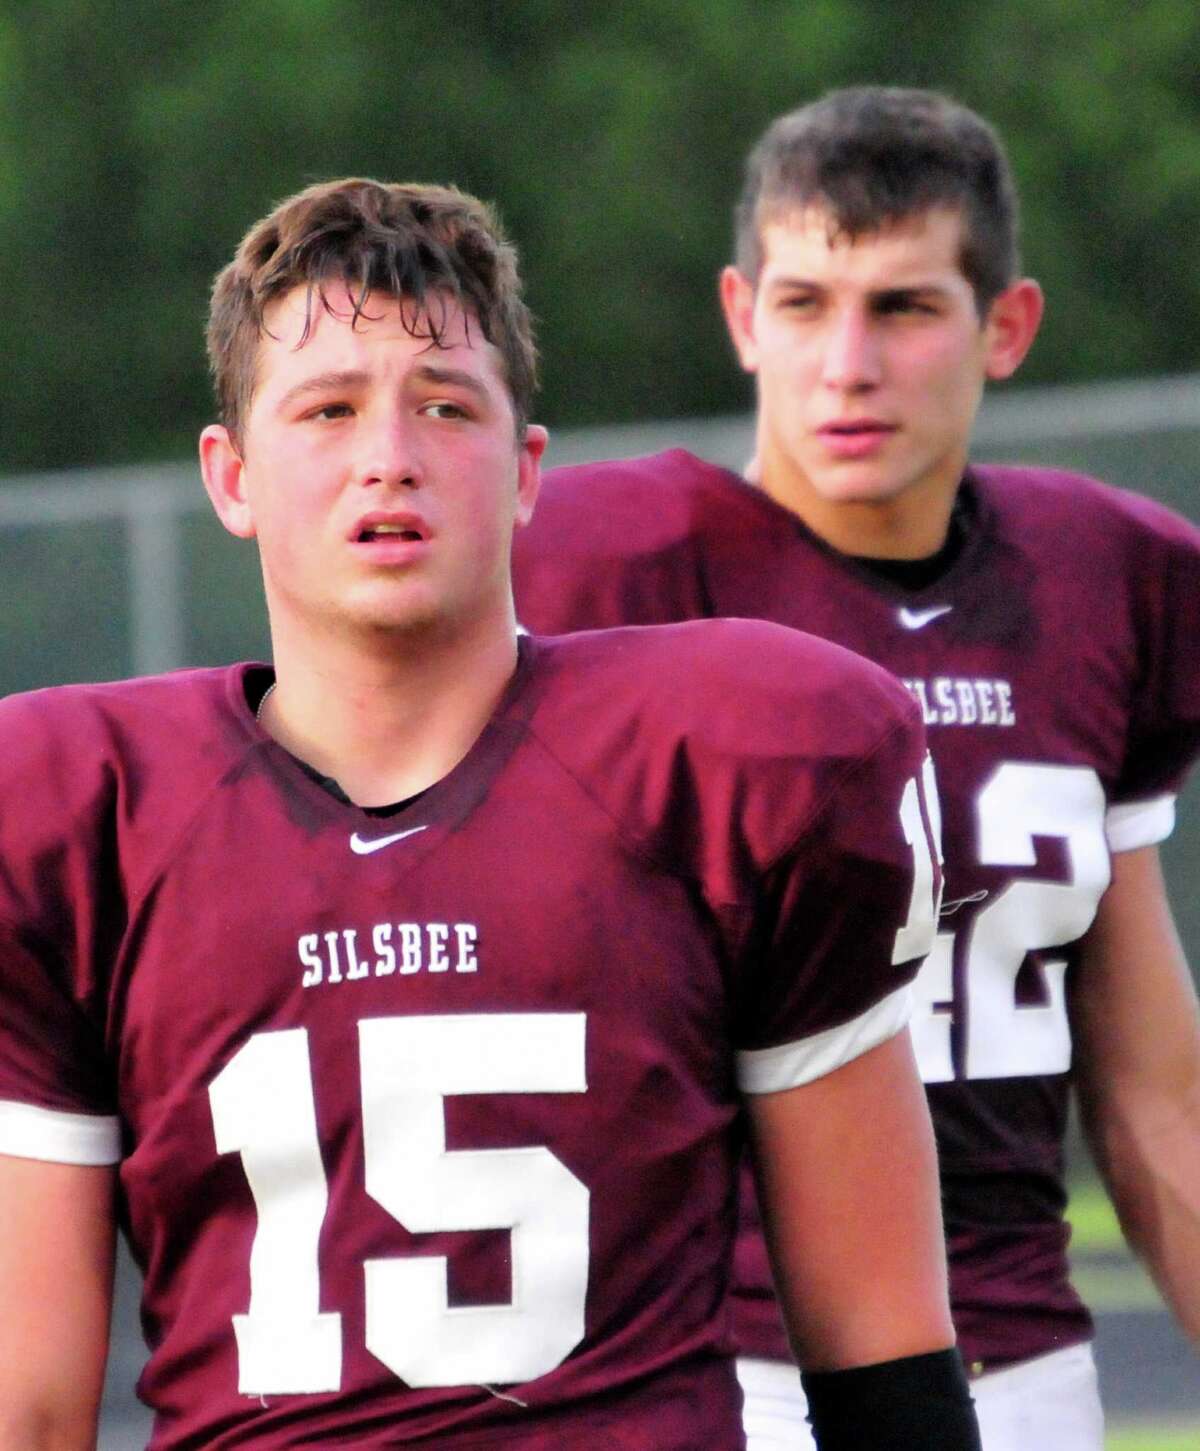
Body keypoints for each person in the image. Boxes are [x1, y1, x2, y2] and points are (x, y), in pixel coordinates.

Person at [0, 178, 980, 1450]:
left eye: (446, 406)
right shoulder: (87, 822)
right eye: (328, 408)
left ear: (526, 472)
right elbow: (27, 1400)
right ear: (230, 475)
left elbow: (884, 1354)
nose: (389, 455)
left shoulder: (727, 769)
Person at [512, 86, 1200, 1451]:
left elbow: (1150, 1089)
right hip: (702, 1361)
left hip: (1017, 1363)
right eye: (805, 301)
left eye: (903, 306)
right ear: (739, 313)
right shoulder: (605, 572)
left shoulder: (1110, 581)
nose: (846, 363)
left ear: (1005, 327)